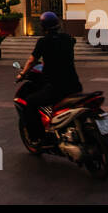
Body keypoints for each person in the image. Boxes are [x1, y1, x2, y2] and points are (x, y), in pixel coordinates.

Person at [16, 11, 82, 146]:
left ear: (42, 27)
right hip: (75, 85)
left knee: (30, 103)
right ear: (58, 24)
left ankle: (38, 137)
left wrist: (22, 74)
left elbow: (32, 61)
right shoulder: (68, 39)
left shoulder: (43, 42)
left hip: (56, 87)